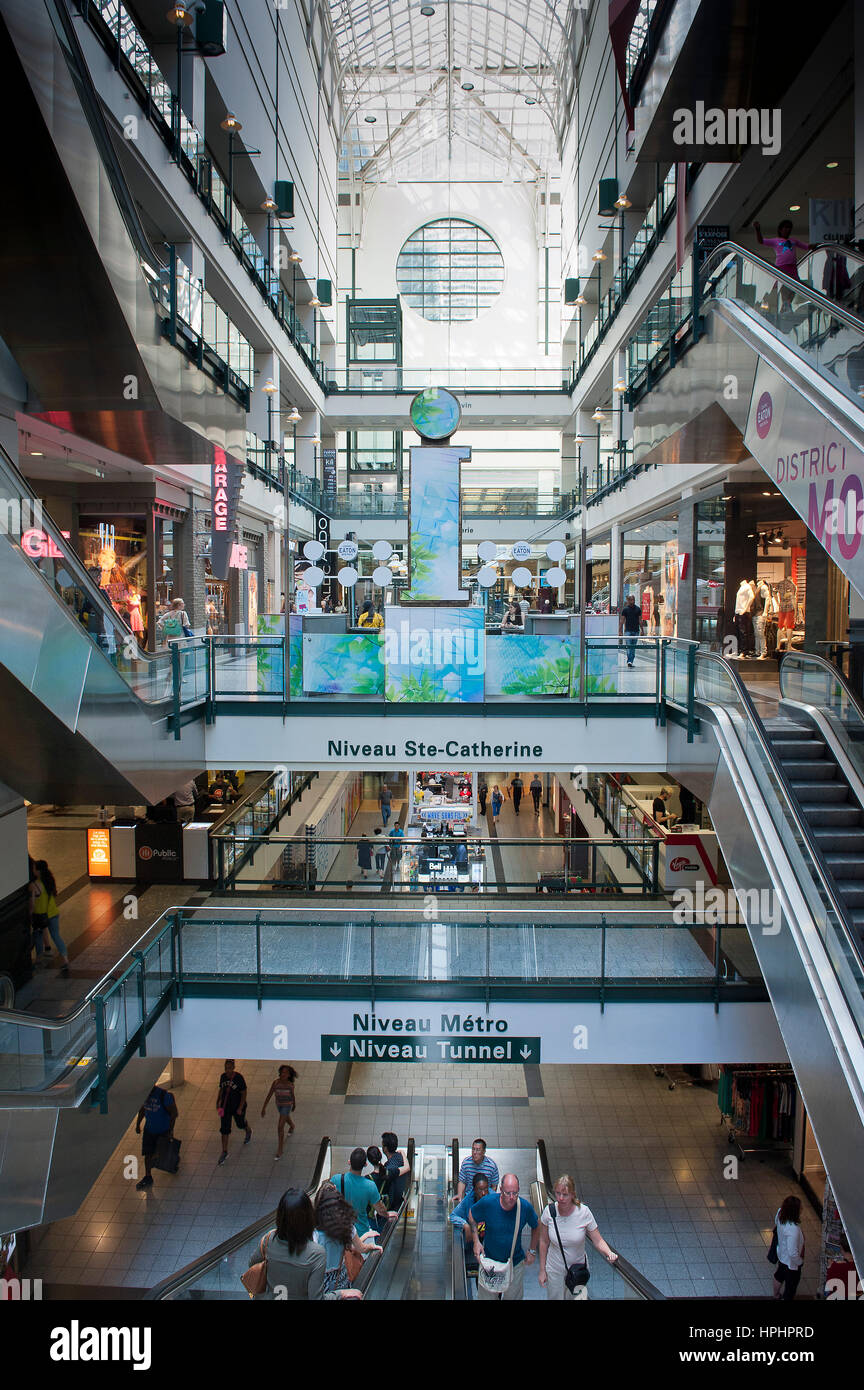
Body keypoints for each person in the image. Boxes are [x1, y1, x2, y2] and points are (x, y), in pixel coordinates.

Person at [247, 1188, 360, 1300]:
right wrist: (341, 1294)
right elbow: (316, 1298)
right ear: (308, 1217)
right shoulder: (316, 1253)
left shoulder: (268, 1240)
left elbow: (252, 1263)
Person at [538, 1175, 617, 1300]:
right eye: (557, 1193)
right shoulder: (549, 1212)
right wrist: (542, 1270)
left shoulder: (584, 1212)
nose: (560, 1198)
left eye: (565, 1194)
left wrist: (609, 1252)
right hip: (555, 1269)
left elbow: (598, 1239)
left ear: (573, 1194)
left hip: (578, 1269)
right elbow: (543, 1241)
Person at [470, 1174, 539, 1301]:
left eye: (515, 1193)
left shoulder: (524, 1207)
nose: (512, 1197)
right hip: (489, 1263)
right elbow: (472, 1215)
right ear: (501, 1190)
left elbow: (536, 1225)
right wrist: (476, 1241)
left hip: (514, 1263)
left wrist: (532, 1250)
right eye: (508, 1193)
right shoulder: (488, 1203)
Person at [313, 1182, 381, 1295]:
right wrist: (372, 1245)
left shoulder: (314, 1232)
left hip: (320, 1280)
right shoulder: (347, 1227)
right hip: (340, 1279)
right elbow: (362, 1248)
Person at [334, 1147, 399, 1237]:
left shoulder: (336, 1179)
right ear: (365, 1164)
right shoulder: (369, 1185)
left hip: (341, 1229)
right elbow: (380, 1209)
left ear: (349, 1162)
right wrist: (387, 1214)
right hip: (361, 1232)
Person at [134, 1083, 179, 1190]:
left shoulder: (163, 1095)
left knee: (162, 1152)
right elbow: (142, 1110)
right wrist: (138, 1124)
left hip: (163, 1131)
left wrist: (170, 1130)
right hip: (149, 1130)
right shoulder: (144, 1095)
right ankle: (148, 1176)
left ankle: (173, 1163)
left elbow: (174, 1113)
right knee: (148, 1154)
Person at [31, 860, 70, 977]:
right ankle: (65, 960)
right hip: (53, 913)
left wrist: (29, 914)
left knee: (37, 936)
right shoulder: (49, 881)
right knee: (56, 936)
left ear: (38, 871)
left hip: (40, 915)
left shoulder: (35, 885)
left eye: (34, 869)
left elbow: (32, 904)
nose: (33, 871)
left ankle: (39, 960)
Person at [216, 1059, 253, 1163]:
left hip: (237, 1107)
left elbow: (244, 1093)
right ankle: (224, 1151)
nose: (227, 1070)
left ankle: (248, 1130)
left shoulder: (239, 1078)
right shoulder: (223, 1077)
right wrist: (218, 1102)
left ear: (233, 1067)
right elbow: (221, 1089)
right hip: (225, 1107)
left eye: (229, 1068)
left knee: (240, 1124)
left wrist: (240, 1107)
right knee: (224, 1129)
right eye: (226, 1068)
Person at [261, 1064, 298, 1158]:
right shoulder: (276, 1083)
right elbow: (269, 1095)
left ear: (289, 1075)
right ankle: (292, 1126)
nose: (283, 1074)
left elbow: (292, 1096)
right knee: (285, 1117)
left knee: (280, 1126)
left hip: (287, 1105)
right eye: (282, 1072)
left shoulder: (290, 1085)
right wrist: (264, 1107)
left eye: (286, 1073)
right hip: (279, 1105)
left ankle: (280, 1149)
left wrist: (294, 1104)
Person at [772, 1195, 804, 1300]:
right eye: (800, 1208)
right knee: (790, 1288)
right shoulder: (793, 1229)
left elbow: (776, 1223)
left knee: (779, 1276)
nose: (802, 1209)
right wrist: (799, 1262)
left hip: (781, 1255)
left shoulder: (780, 1214)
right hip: (791, 1264)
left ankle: (776, 1295)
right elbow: (793, 1252)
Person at [450, 1173, 490, 1238]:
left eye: (486, 1189)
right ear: (474, 1190)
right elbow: (453, 1216)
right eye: (480, 1190)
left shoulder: (493, 1197)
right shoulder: (468, 1200)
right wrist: (465, 1224)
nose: (483, 1193)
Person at [379, 1132, 410, 1211]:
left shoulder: (390, 1169)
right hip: (400, 1200)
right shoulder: (400, 1157)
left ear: (385, 1148)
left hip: (393, 1206)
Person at [618, 594, 641, 667]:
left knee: (633, 647)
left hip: (636, 630)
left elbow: (640, 620)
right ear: (628, 601)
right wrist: (620, 630)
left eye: (633, 599)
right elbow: (622, 620)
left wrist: (642, 630)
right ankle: (629, 661)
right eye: (630, 600)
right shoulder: (625, 610)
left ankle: (631, 660)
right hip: (628, 631)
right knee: (629, 646)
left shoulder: (638, 609)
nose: (632, 601)